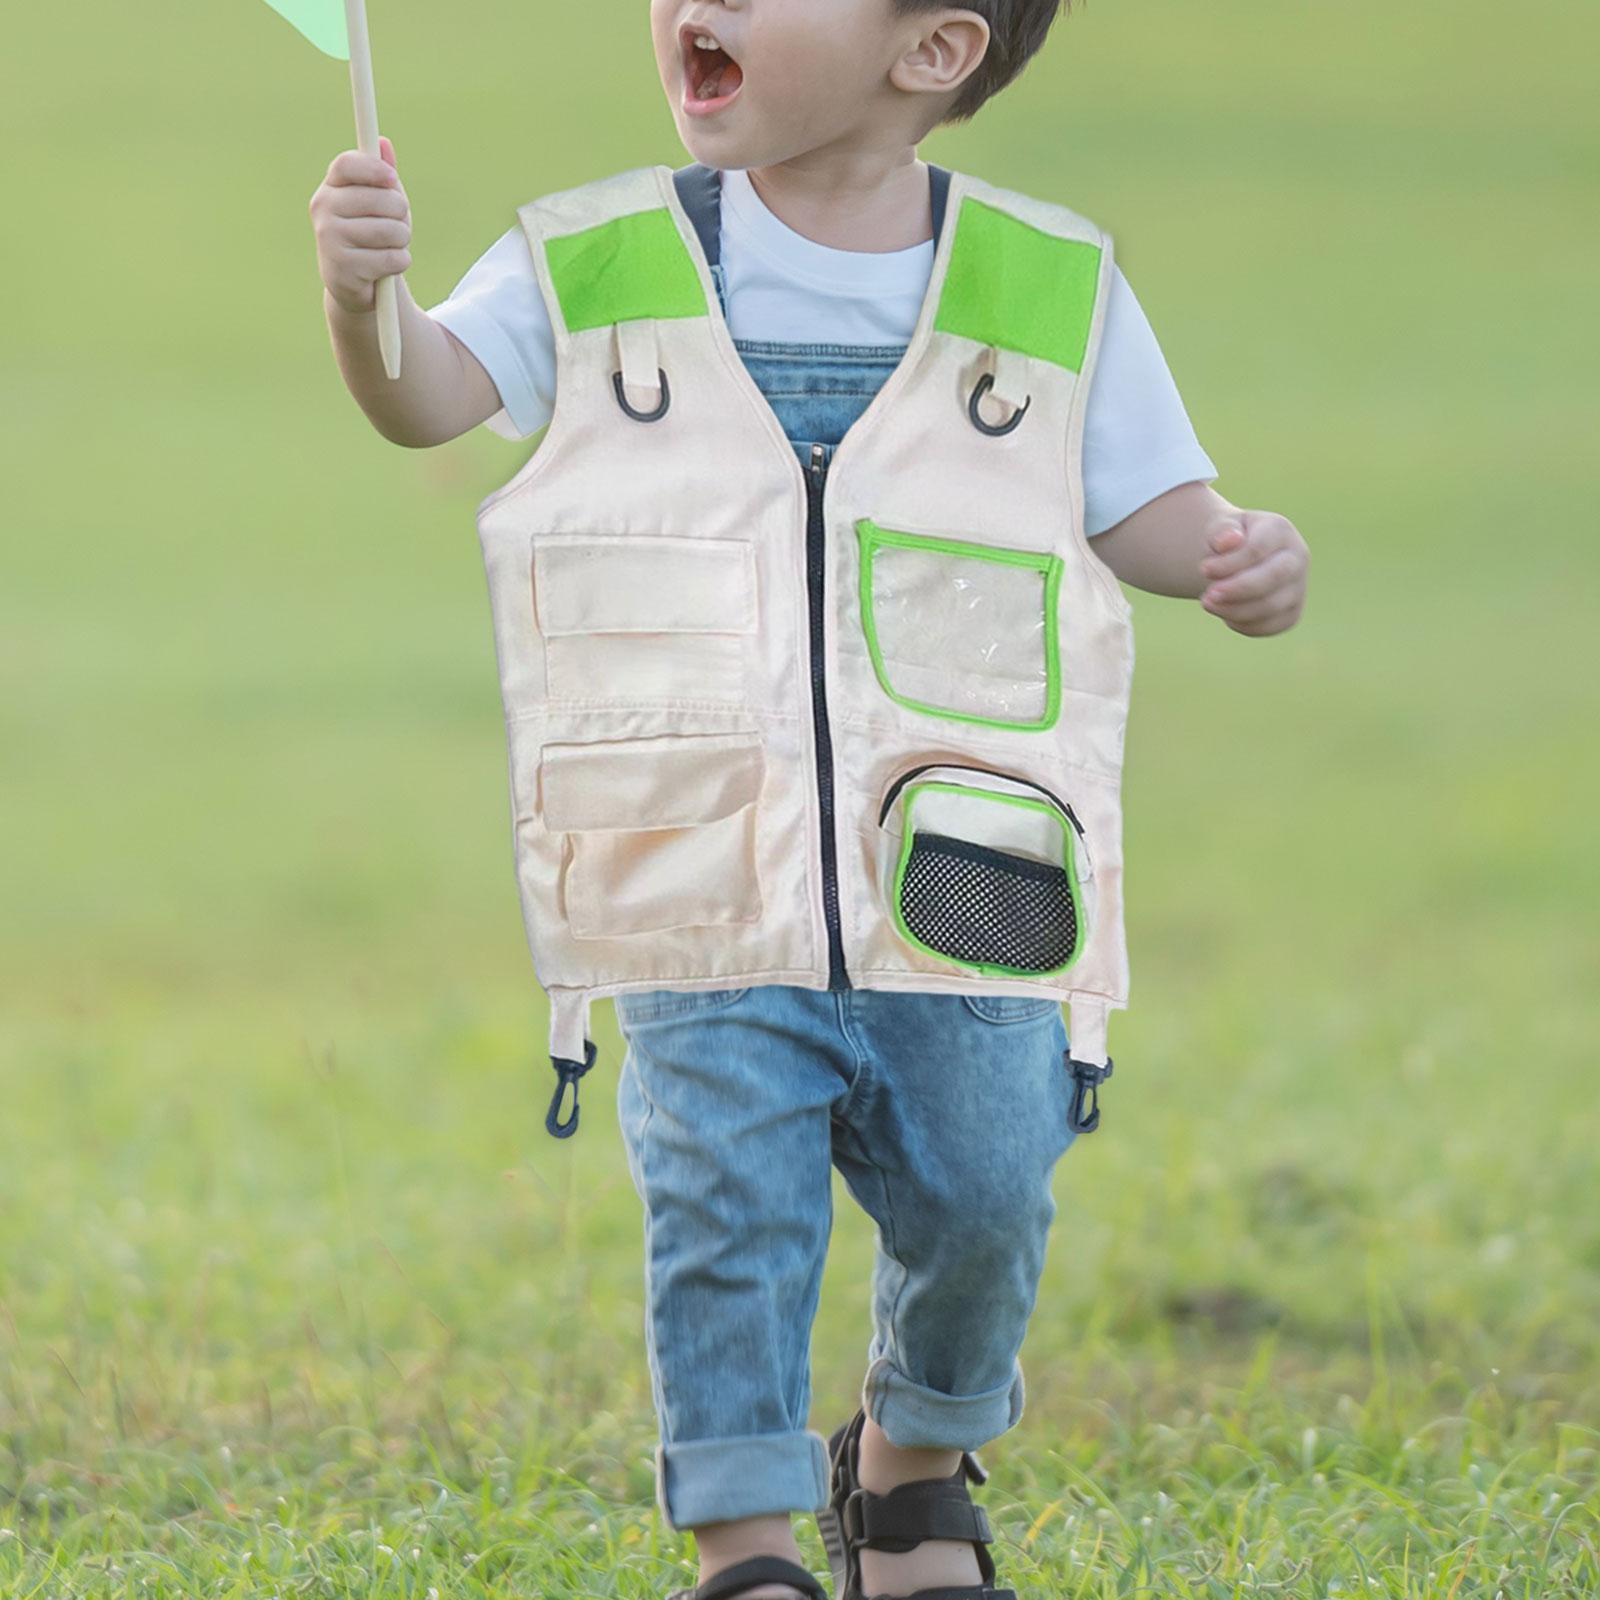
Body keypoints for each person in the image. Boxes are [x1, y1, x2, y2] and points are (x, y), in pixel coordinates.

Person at [309, 3, 1310, 1596]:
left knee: (990, 1186)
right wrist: (368, 295)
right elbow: (426, 395)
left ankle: (910, 1457)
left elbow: (1143, 507)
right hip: (697, 856)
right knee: (726, 1211)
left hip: (967, 868)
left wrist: (1238, 554)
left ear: (930, 53)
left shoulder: (1049, 285)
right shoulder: (599, 258)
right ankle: (747, 1541)